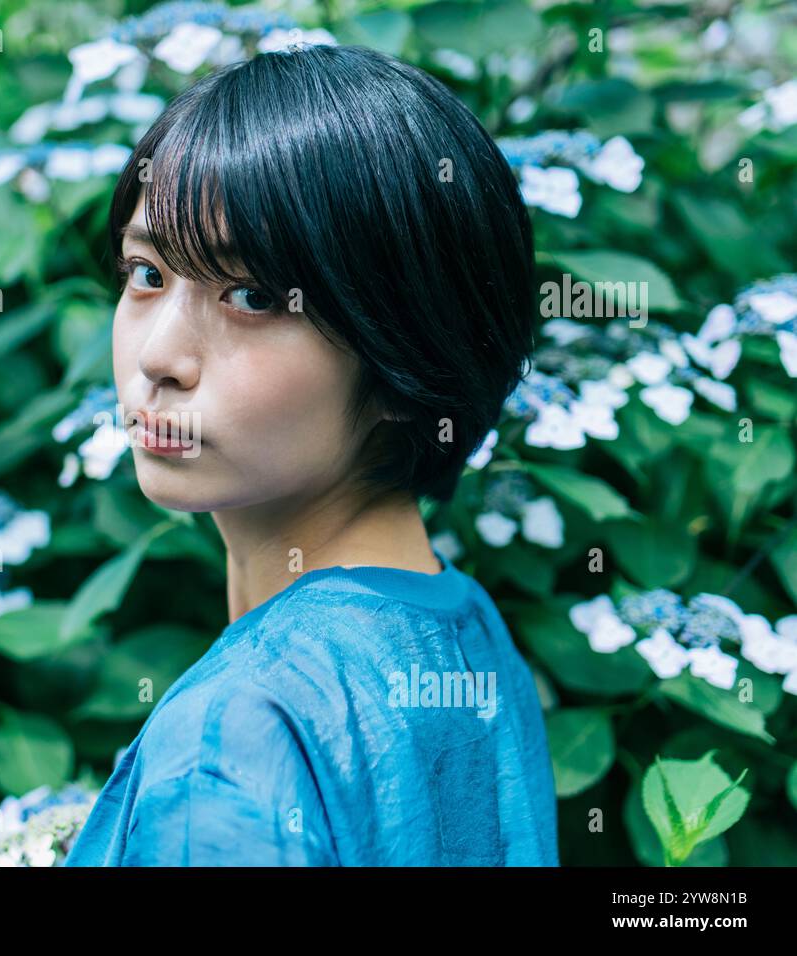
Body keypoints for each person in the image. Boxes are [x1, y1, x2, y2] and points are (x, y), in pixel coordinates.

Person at [63, 43, 558, 866]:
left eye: (251, 297)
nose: (157, 357)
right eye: (146, 273)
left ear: (407, 357)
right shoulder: (468, 635)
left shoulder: (235, 733)